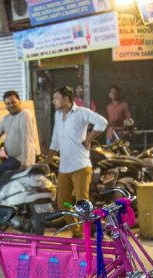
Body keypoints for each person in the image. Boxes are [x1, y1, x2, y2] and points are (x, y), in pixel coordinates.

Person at [47, 86, 107, 238]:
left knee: (82, 202)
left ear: (66, 100)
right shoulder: (58, 115)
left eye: (56, 98)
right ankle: (77, 230)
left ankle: (85, 232)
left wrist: (88, 138)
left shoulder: (81, 113)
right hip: (64, 167)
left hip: (81, 166)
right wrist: (48, 158)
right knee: (63, 203)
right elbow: (55, 139)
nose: (53, 101)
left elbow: (102, 122)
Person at [0, 90, 38, 200]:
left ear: (19, 101)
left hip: (19, 159)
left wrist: (26, 163)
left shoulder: (25, 115)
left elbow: (27, 139)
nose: (11, 105)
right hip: (11, 158)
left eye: (13, 102)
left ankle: (1, 201)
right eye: (8, 103)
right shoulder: (7, 118)